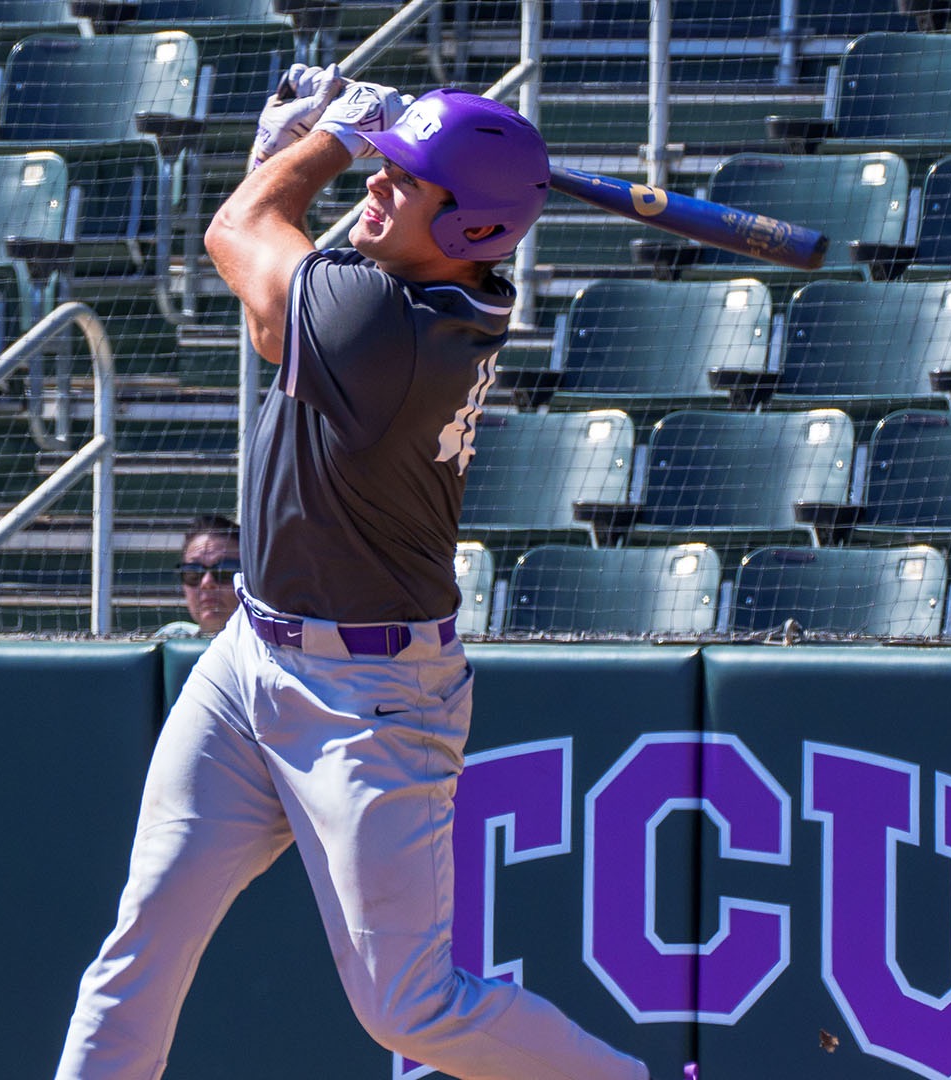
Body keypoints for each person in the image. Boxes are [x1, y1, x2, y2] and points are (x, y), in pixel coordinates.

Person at [56, 69, 694, 1080]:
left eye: (408, 182)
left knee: (411, 1008)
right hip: (248, 659)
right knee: (141, 945)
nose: (380, 189)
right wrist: (361, 150)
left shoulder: (386, 334)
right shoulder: (416, 290)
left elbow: (239, 232)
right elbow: (277, 290)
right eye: (387, 170)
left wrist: (335, 138)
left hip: (372, 698)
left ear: (474, 232)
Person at [154, 515, 241, 637]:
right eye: (193, 573)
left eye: (224, 570)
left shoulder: (269, 649)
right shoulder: (171, 640)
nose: (207, 582)